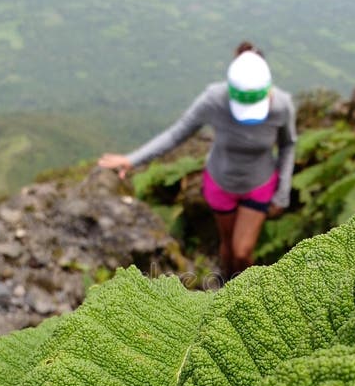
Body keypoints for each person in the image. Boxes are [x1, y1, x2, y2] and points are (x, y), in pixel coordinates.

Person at [98, 43, 296, 279]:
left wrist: (282, 192)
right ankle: (224, 292)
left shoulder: (282, 106)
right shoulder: (214, 100)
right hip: (220, 183)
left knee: (242, 252)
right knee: (227, 248)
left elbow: (287, 145)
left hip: (259, 185)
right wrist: (132, 160)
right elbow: (176, 134)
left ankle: (248, 298)